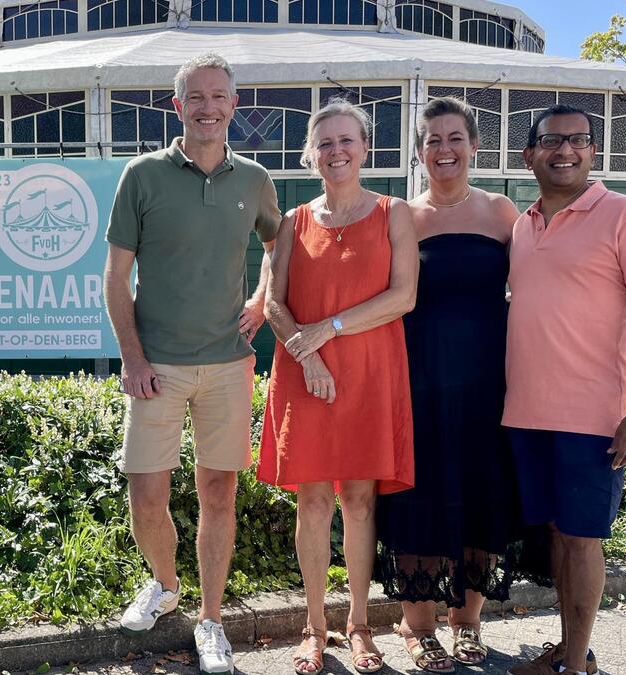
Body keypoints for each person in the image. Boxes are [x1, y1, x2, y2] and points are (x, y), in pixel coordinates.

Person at [103, 53, 281, 675]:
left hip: (229, 366)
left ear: (235, 106)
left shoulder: (255, 179)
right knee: (146, 493)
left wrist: (262, 298)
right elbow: (115, 276)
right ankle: (163, 584)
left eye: (219, 96)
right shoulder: (142, 175)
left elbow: (277, 243)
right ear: (177, 107)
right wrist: (132, 355)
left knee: (218, 494)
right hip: (156, 367)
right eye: (195, 97)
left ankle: (210, 621)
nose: (208, 107)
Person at [504, 104, 626, 675]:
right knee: (555, 534)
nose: (565, 150)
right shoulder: (522, 226)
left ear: (593, 150)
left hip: (594, 415)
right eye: (551, 141)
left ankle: (574, 666)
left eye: (578, 140)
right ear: (529, 156)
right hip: (526, 412)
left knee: (581, 539)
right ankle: (573, 652)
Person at [257, 98, 418, 675]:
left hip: (370, 374)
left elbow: (403, 297)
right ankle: (314, 626)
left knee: (358, 498)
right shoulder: (293, 221)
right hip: (306, 377)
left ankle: (358, 624)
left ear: (366, 148)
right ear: (311, 153)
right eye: (325, 143)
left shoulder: (394, 212)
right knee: (314, 499)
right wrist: (309, 354)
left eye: (346, 140)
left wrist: (327, 329)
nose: (336, 151)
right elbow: (274, 303)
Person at [373, 96, 525, 673]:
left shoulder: (501, 213)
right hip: (420, 382)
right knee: (420, 497)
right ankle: (418, 628)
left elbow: (538, 289)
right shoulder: (403, 217)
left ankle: (468, 621)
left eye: (455, 137)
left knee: (480, 496)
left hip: (489, 384)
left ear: (474, 146)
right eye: (433, 140)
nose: (444, 149)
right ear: (418, 153)